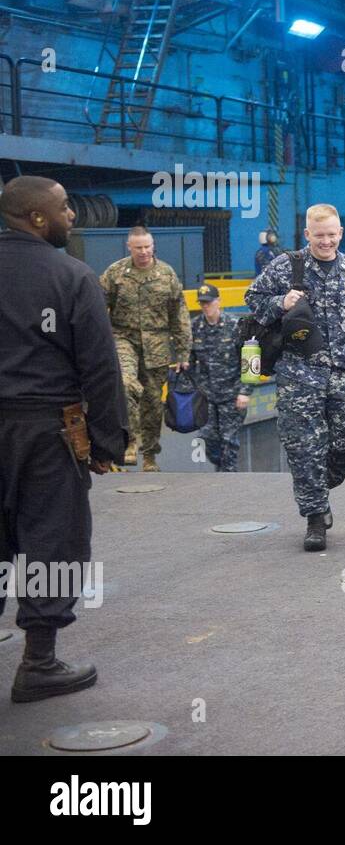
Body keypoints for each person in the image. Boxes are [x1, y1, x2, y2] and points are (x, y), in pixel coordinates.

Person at [0, 176, 128, 702]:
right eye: (63, 208)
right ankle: (39, 662)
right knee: (53, 540)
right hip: (46, 430)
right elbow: (100, 366)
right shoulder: (73, 277)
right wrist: (105, 443)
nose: (72, 215)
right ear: (36, 218)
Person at [245, 203, 345, 551]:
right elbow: (253, 297)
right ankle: (315, 517)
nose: (326, 242)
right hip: (299, 373)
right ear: (308, 234)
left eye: (331, 235)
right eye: (319, 235)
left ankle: (316, 488)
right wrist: (280, 301)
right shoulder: (286, 265)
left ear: (340, 233)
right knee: (304, 447)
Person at [100, 225, 191, 471]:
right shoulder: (116, 273)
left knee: (152, 403)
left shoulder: (166, 274)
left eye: (147, 247)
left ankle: (149, 455)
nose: (143, 252)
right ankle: (129, 440)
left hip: (157, 346)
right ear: (129, 247)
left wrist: (183, 351)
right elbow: (97, 307)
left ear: (153, 246)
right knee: (127, 384)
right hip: (123, 339)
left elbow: (178, 314)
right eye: (138, 247)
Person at [190, 283, 251, 472]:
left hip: (232, 395)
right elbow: (189, 362)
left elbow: (251, 359)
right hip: (207, 396)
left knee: (229, 442)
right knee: (208, 439)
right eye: (202, 304)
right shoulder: (195, 327)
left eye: (209, 302)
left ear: (219, 302)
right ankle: (222, 470)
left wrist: (245, 391)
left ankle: (228, 481)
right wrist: (194, 389)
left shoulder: (235, 325)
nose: (206, 307)